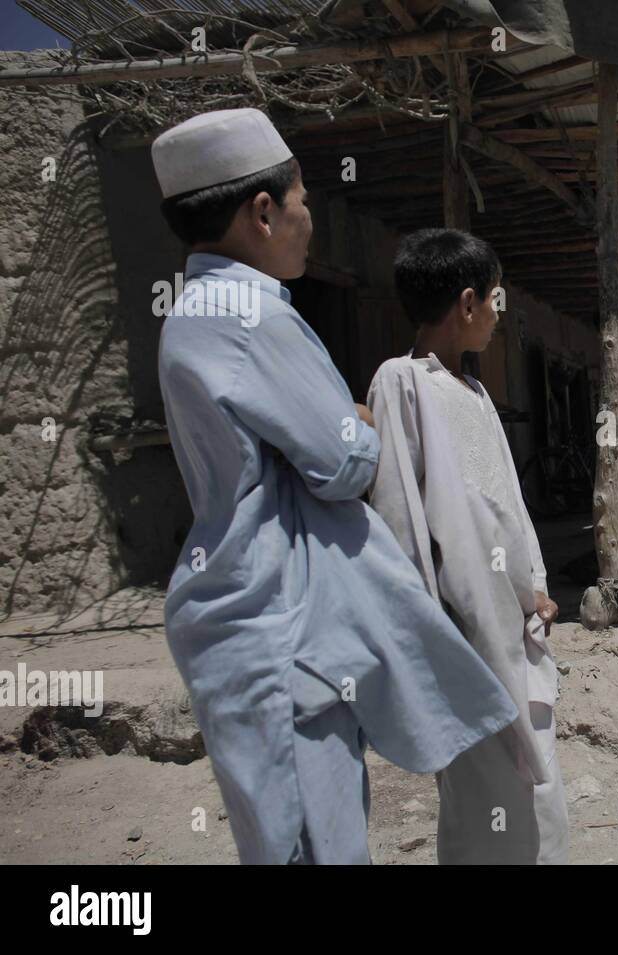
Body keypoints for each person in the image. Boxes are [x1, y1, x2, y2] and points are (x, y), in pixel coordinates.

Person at [152, 110, 516, 863]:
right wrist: (356, 419)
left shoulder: (190, 314)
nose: (309, 220)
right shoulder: (251, 314)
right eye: (304, 201)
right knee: (316, 846)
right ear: (261, 212)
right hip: (282, 631)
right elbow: (345, 462)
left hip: (240, 625)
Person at [368, 229, 569, 864]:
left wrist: (530, 585)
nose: (499, 315)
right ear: (467, 302)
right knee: (486, 800)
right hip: (462, 631)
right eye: (495, 299)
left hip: (512, 623)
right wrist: (423, 635)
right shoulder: (401, 383)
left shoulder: (476, 393)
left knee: (537, 796)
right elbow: (399, 516)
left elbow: (504, 508)